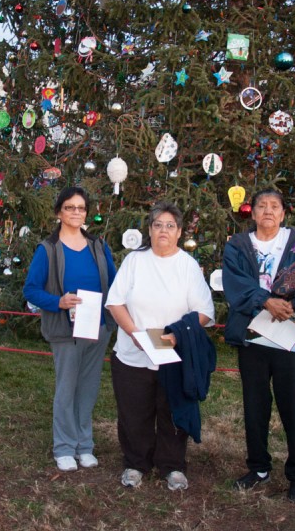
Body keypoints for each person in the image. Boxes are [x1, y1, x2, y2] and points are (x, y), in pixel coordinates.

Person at [222, 189, 295, 504]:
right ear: (252, 213)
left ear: (283, 213)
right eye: (261, 206)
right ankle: (258, 468)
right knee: (255, 407)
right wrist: (266, 301)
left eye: (274, 206)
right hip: (252, 336)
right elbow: (236, 286)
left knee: (293, 407)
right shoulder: (238, 246)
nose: (267, 211)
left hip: (289, 334)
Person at [105, 201, 215, 491]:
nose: (163, 230)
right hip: (133, 353)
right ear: (149, 231)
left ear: (179, 232)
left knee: (172, 411)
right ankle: (135, 463)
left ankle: (173, 465)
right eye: (157, 225)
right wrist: (134, 334)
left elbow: (204, 311)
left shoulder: (188, 266)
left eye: (169, 225)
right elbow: (115, 302)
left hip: (173, 353)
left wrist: (176, 336)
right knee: (134, 412)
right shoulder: (135, 261)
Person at [23, 186, 117, 472]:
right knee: (67, 388)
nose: (76, 212)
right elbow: (30, 289)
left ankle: (84, 445)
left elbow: (115, 285)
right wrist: (58, 302)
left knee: (88, 389)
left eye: (81, 207)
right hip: (66, 331)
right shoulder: (48, 249)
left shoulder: (99, 247)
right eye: (69, 207)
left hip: (98, 327)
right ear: (59, 212)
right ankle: (64, 447)